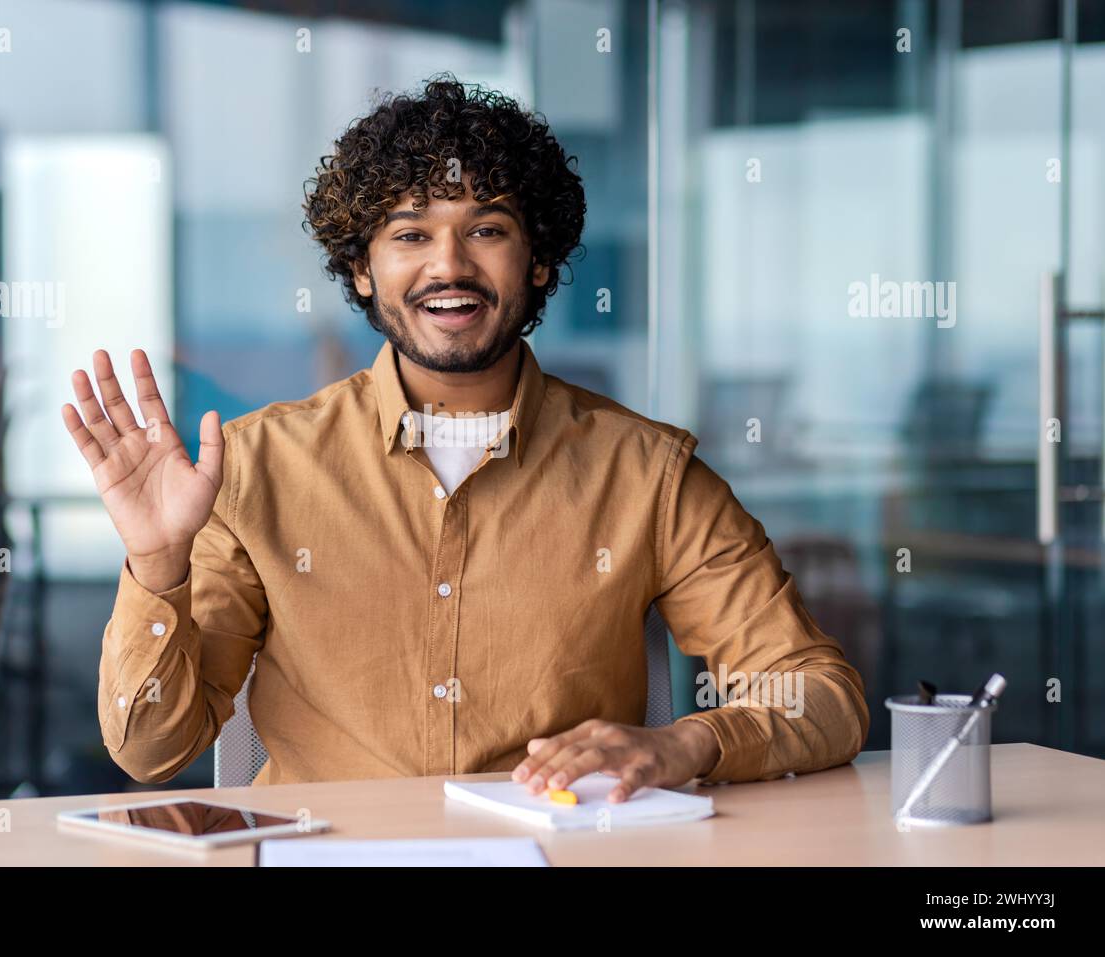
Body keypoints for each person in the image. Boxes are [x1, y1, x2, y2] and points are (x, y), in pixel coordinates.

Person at [61, 75, 869, 803]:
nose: (449, 265)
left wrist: (681, 744)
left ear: (540, 260)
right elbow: (151, 754)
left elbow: (822, 696)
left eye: (486, 229)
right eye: (410, 234)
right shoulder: (254, 469)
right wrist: (158, 564)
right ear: (363, 271)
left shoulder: (647, 474)